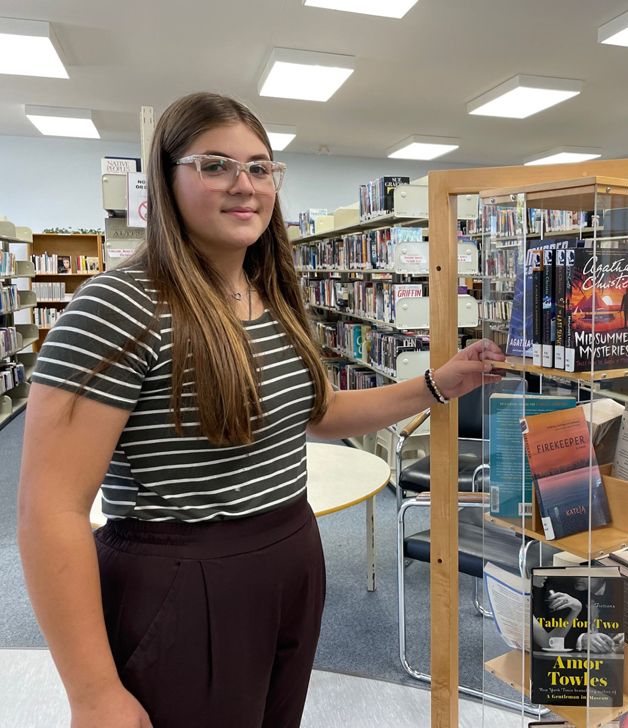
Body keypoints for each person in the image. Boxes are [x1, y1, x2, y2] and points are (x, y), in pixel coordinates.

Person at [16, 92, 505, 728]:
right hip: (183, 578)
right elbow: (49, 510)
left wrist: (438, 385)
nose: (244, 185)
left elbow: (319, 411)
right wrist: (91, 692)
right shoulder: (118, 306)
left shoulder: (269, 294)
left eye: (260, 167)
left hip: (290, 556)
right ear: (166, 180)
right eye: (214, 164)